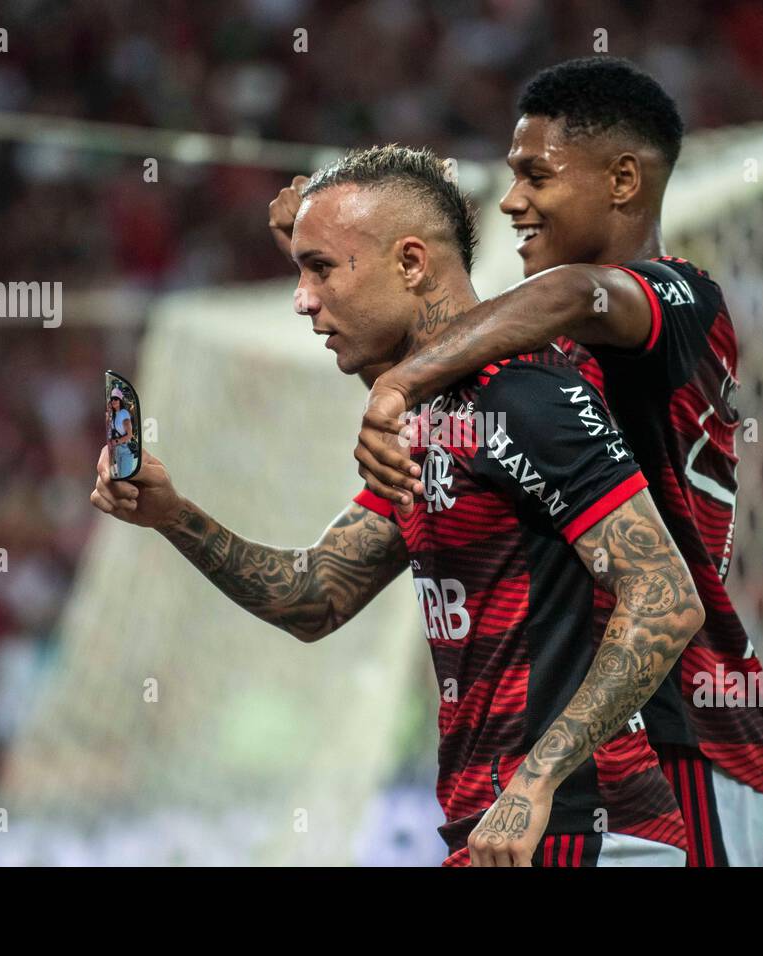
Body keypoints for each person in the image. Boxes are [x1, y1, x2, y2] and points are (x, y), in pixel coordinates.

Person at [93, 144, 706, 866]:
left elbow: (666, 599)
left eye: (320, 267)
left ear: (412, 264)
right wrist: (172, 513)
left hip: (584, 830)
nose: (301, 298)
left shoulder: (526, 397)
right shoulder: (433, 421)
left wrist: (534, 783)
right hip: (502, 831)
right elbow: (316, 596)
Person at [341, 57, 763, 865]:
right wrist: (332, 247)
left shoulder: (679, 300)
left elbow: (576, 296)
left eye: (535, 175)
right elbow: (467, 324)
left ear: (623, 181)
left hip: (694, 727)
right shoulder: (535, 352)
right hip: (608, 743)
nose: (512, 201)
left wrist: (401, 383)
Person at [108, 388, 135, 479]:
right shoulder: (114, 414)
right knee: (120, 477)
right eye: (112, 399)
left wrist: (115, 441)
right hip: (117, 450)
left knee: (124, 478)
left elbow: (129, 435)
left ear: (120, 400)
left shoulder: (124, 413)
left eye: (116, 399)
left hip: (125, 449)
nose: (113, 401)